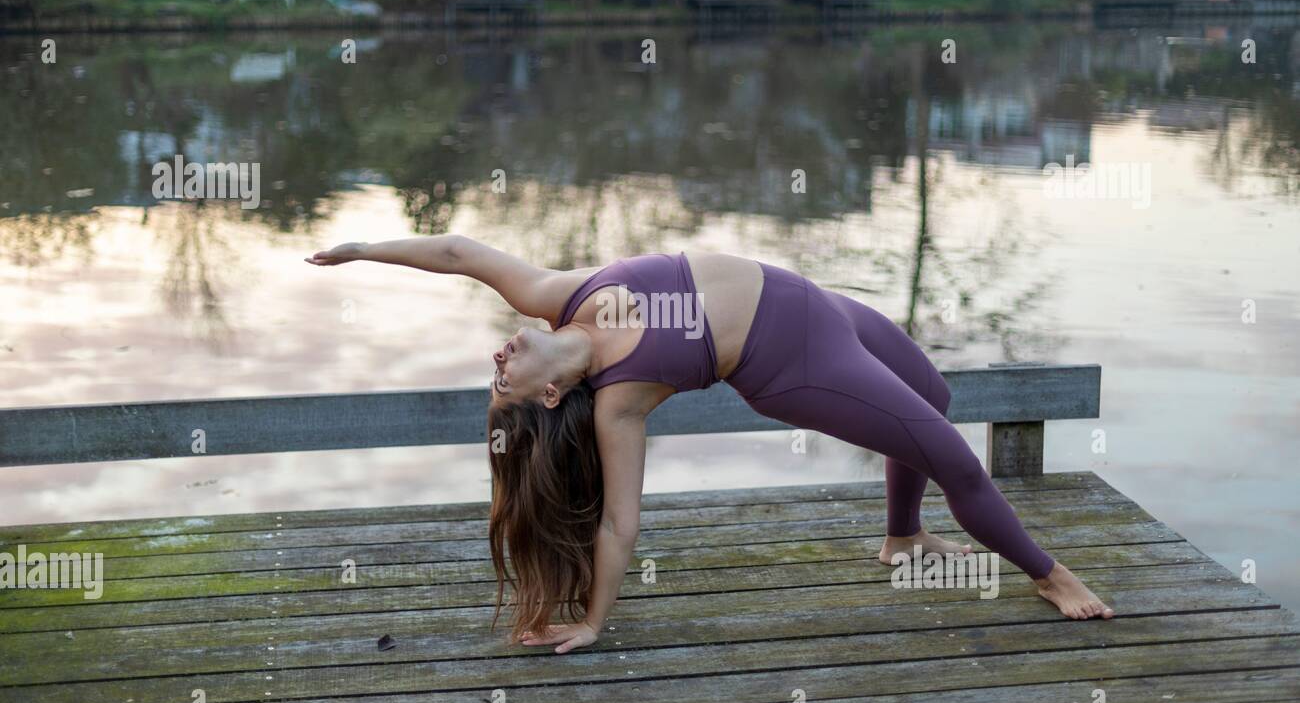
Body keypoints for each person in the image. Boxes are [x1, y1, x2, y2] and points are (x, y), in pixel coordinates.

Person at [306, 235, 1114, 653]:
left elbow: (457, 254)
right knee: (955, 458)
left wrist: (361, 251)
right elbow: (619, 524)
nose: (497, 357)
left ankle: (902, 539)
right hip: (797, 361)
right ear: (548, 395)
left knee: (933, 395)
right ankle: (1050, 575)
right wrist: (593, 623)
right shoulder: (618, 403)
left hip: (809, 298)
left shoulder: (557, 295)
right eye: (500, 380)